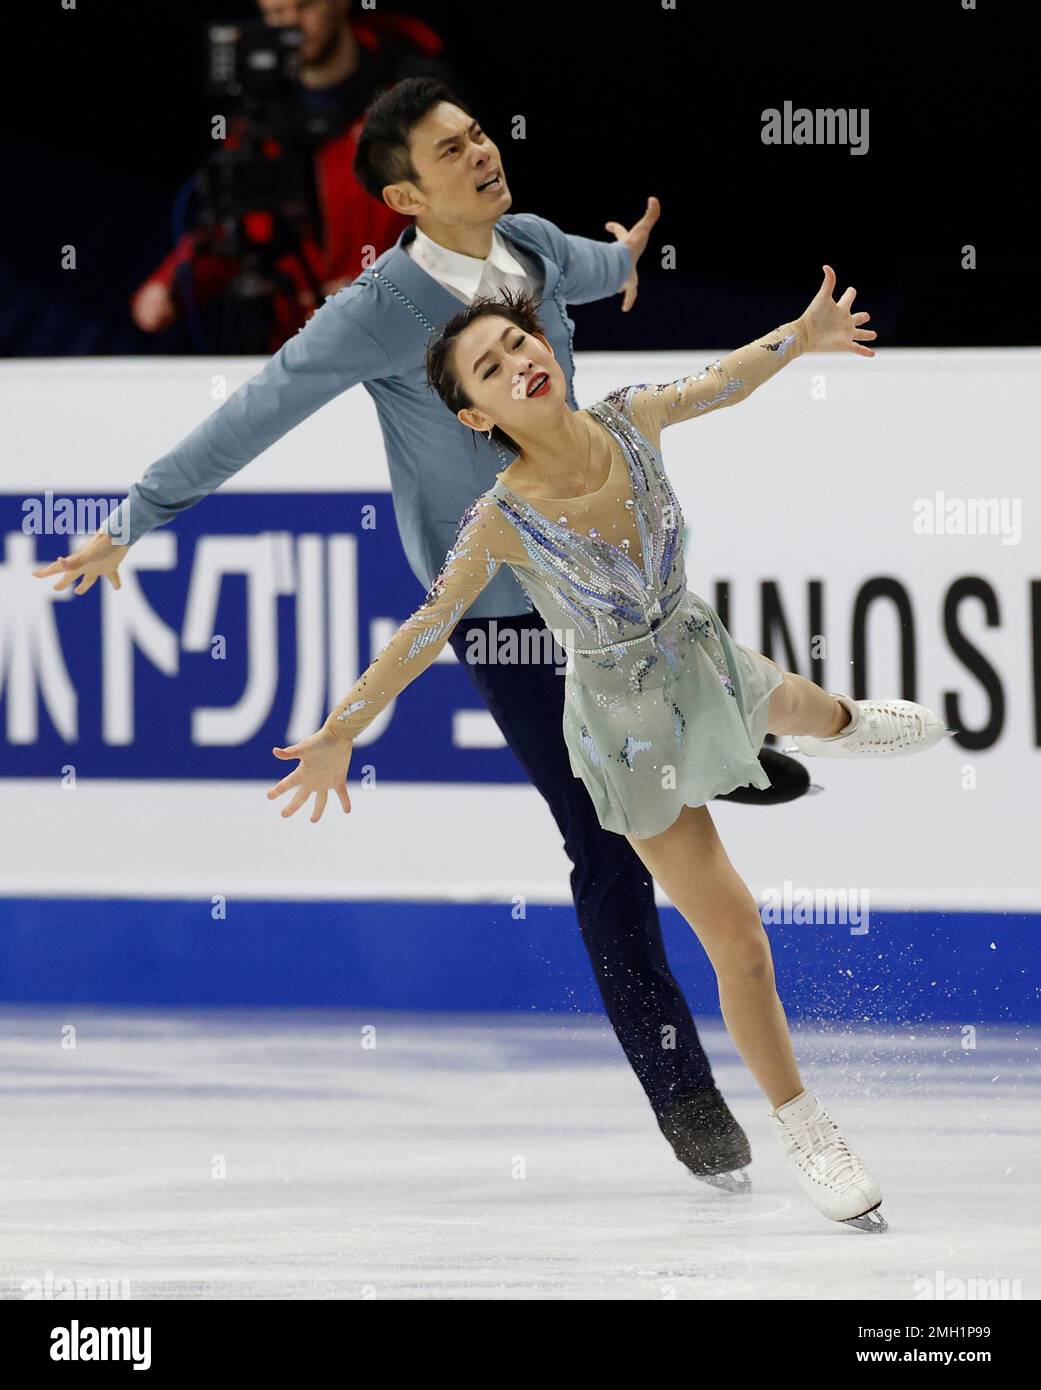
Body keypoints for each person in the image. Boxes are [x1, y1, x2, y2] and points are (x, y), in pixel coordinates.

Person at [35, 76, 811, 1192]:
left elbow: (598, 268)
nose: (485, 152)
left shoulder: (534, 245)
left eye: (482, 133)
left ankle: (714, 745)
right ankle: (683, 1087)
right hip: (500, 605)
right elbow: (255, 410)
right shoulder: (377, 312)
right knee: (603, 839)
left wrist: (629, 253)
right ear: (405, 192)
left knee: (672, 721)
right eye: (455, 150)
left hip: (610, 581)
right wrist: (133, 519)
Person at [265, 268, 948, 1229]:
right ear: (474, 416)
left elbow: (726, 379)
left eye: (520, 344)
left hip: (701, 655)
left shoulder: (631, 417)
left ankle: (843, 728)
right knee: (739, 938)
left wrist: (800, 335)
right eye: (490, 370)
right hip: (630, 735)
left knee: (808, 709)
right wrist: (341, 728)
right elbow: (426, 627)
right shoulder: (501, 517)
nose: (518, 364)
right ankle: (806, 1129)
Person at [131, 1, 451, 346]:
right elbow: (232, 228)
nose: (291, 24)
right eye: (276, 13)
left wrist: (377, 290)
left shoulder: (415, 100)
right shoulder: (256, 123)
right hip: (296, 351)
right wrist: (169, 286)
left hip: (409, 346)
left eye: (304, 6)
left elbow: (464, 229)